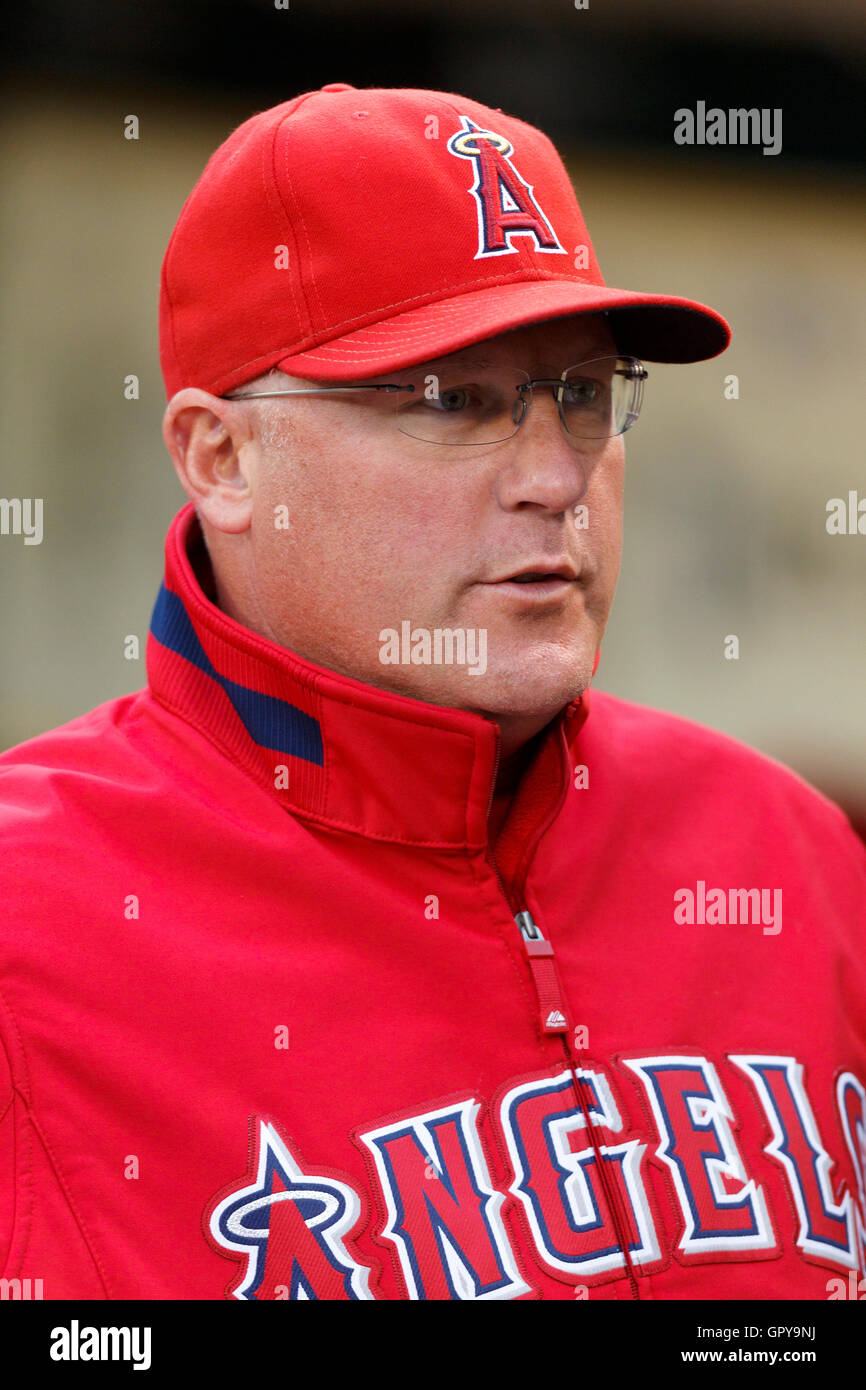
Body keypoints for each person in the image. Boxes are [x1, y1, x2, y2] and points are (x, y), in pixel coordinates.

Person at [1, 83, 864, 1303]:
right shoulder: (30, 926)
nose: (555, 476)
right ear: (223, 457)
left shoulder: (786, 856)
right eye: (452, 400)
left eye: (579, 394)